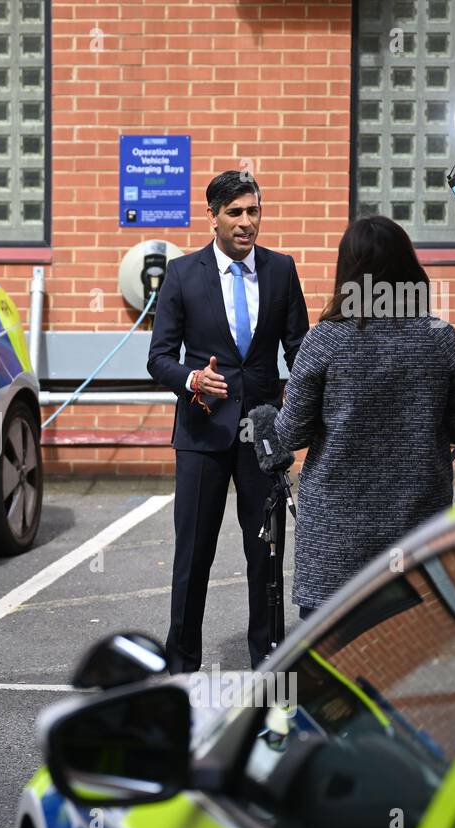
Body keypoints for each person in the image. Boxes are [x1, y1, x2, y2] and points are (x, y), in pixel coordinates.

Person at [274, 215, 455, 620]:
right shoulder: (439, 337)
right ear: (409, 268)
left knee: (331, 666)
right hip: (418, 532)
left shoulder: (326, 339)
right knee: (411, 663)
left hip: (335, 543)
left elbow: (290, 434)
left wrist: (269, 419)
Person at [147, 171, 309, 673]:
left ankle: (269, 659)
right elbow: (159, 358)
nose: (246, 222)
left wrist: (297, 418)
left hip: (263, 434)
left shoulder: (281, 270)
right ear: (213, 216)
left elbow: (300, 350)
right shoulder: (181, 274)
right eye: (235, 213)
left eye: (253, 211)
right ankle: (182, 664)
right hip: (201, 432)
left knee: (265, 555)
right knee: (193, 554)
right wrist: (192, 380)